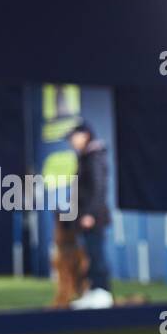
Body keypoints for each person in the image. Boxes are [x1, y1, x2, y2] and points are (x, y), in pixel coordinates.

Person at [66, 122, 113, 309]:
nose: (71, 141)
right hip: (84, 217)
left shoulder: (94, 156)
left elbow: (98, 188)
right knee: (90, 255)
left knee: (97, 254)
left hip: (93, 217)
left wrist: (90, 214)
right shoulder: (85, 157)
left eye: (73, 136)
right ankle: (93, 291)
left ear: (85, 135)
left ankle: (103, 293)